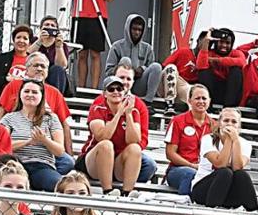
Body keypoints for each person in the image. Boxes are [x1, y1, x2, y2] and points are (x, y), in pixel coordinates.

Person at [83, 65, 155, 195]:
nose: (116, 91)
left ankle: (127, 193)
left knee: (136, 150)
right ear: (104, 93)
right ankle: (108, 191)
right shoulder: (98, 106)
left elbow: (136, 140)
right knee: (106, 145)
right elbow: (102, 137)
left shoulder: (135, 108)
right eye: (111, 89)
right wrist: (118, 114)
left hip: (120, 158)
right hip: (95, 157)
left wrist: (127, 115)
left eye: (120, 88)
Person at [63, 0, 116, 93]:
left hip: (97, 14)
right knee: (81, 53)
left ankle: (93, 89)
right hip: (79, 14)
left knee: (95, 53)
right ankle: (80, 87)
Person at [0, 77, 68, 192]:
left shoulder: (51, 118)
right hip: (14, 166)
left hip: (41, 166)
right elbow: (2, 147)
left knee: (60, 186)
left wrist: (44, 140)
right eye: (26, 91)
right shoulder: (8, 118)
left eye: (35, 92)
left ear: (41, 97)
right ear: (20, 94)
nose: (30, 94)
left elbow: (60, 151)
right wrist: (28, 142)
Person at [191, 107, 258, 211]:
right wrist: (228, 140)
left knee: (242, 174)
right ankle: (210, 214)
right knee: (225, 172)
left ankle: (254, 214)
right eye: (226, 120)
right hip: (203, 191)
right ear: (219, 123)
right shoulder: (208, 139)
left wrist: (235, 141)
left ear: (239, 126)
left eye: (234, 121)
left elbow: (237, 167)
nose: (229, 124)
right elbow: (220, 164)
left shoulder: (245, 144)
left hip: (229, 194)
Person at [165, 84, 213, 196]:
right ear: (189, 101)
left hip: (205, 171)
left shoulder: (215, 125)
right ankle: (185, 207)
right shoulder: (177, 121)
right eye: (197, 98)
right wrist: (191, 165)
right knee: (190, 174)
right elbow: (170, 154)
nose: (201, 101)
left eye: (204, 98)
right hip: (179, 169)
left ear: (209, 101)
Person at [103, 14, 162, 100]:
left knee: (157, 66)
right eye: (134, 29)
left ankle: (149, 102)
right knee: (125, 60)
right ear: (128, 29)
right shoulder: (117, 46)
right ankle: (122, 96)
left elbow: (153, 70)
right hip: (120, 87)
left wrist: (142, 69)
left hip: (139, 85)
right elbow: (108, 71)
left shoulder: (147, 48)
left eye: (140, 30)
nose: (137, 32)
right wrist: (124, 70)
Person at [195, 28, 246, 110]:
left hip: (230, 94)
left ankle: (229, 108)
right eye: (221, 42)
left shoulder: (236, 53)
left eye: (227, 43)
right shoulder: (210, 53)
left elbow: (242, 62)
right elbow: (200, 66)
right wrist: (206, 41)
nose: (224, 45)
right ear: (216, 42)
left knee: (237, 71)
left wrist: (216, 60)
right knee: (204, 72)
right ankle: (206, 105)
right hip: (212, 92)